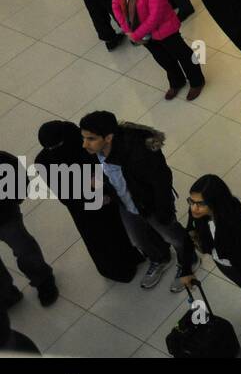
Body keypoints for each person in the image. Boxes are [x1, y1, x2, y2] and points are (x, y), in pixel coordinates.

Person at [79, 110, 199, 292]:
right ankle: (160, 258)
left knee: (173, 235)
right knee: (139, 239)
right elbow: (112, 176)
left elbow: (161, 180)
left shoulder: (138, 153)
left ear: (109, 137)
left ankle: (189, 261)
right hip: (126, 203)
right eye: (84, 138)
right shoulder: (98, 152)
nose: (84, 144)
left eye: (91, 138)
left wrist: (164, 209)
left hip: (150, 204)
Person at [33, 121, 141, 283]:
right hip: (83, 206)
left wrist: (102, 189)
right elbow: (65, 194)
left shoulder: (78, 140)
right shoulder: (45, 161)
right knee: (101, 238)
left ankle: (131, 255)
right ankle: (117, 270)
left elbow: (99, 162)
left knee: (117, 228)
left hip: (105, 194)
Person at [110, 0, 204, 101]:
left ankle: (197, 81)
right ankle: (177, 82)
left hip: (164, 29)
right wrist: (127, 29)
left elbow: (155, 17)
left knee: (183, 55)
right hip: (142, 32)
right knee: (163, 58)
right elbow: (116, 4)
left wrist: (135, 35)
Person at [184, 175, 241, 289]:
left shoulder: (235, 220)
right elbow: (189, 231)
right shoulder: (197, 212)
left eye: (201, 203)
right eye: (191, 201)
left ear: (215, 202)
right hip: (224, 262)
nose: (193, 208)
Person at [0, 150, 58, 309]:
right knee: (24, 248)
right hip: (6, 213)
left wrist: (12, 200)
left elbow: (18, 177)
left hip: (5, 216)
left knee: (24, 249)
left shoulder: (2, 159)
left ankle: (43, 280)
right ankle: (5, 293)